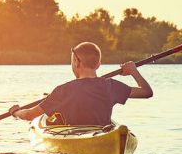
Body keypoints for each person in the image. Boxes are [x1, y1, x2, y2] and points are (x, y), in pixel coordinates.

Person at [10, 41, 152, 126]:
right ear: (98, 64)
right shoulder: (111, 86)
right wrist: (133, 71)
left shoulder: (63, 91)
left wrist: (16, 112)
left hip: (77, 136)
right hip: (101, 132)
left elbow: (29, 115)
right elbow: (146, 92)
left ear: (77, 62)